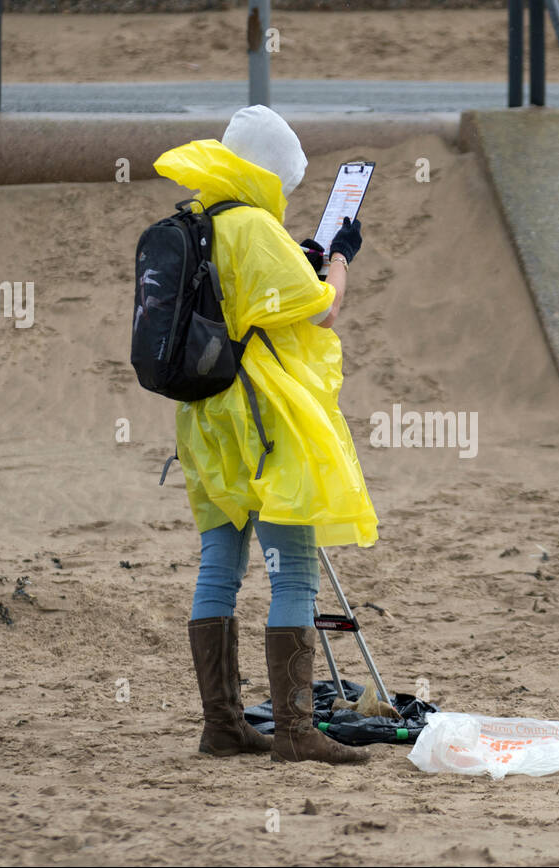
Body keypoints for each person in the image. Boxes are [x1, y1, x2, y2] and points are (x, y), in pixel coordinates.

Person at [152, 106, 378, 765]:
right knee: (295, 568)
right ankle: (297, 729)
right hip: (263, 414)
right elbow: (326, 311)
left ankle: (223, 726)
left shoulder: (205, 222)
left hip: (206, 418)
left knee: (221, 563)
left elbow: (255, 296)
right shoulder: (256, 226)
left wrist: (302, 260)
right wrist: (338, 259)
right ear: (271, 173)